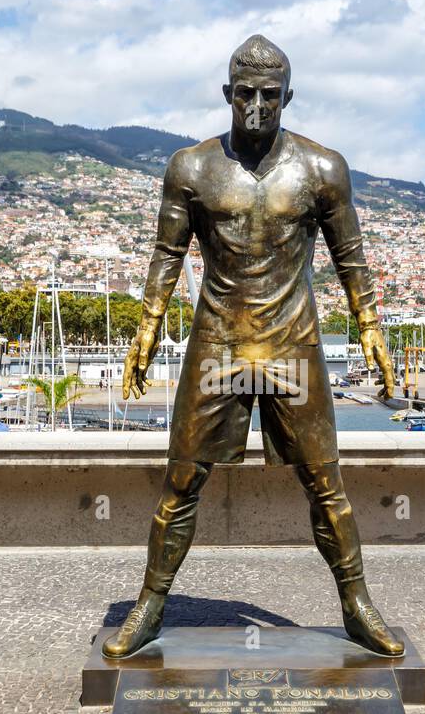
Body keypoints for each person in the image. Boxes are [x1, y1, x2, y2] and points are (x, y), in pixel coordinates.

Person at [104, 34, 402, 659]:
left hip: (292, 344)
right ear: (226, 95)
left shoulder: (323, 169)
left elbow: (351, 257)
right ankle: (151, 604)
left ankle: (356, 604)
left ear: (288, 96)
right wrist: (147, 325)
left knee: (325, 482)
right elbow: (167, 252)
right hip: (217, 343)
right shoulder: (191, 167)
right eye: (246, 94)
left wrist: (370, 326)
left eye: (271, 96)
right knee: (182, 481)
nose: (258, 107)